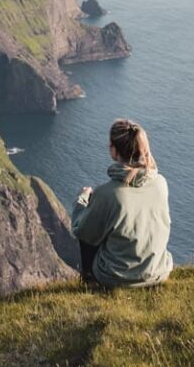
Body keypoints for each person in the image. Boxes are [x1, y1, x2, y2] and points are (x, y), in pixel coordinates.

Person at [71, 118, 174, 287]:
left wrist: (81, 201)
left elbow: (81, 230)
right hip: (158, 272)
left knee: (89, 224)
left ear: (114, 150)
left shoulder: (107, 194)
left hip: (115, 278)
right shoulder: (160, 183)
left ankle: (89, 281)